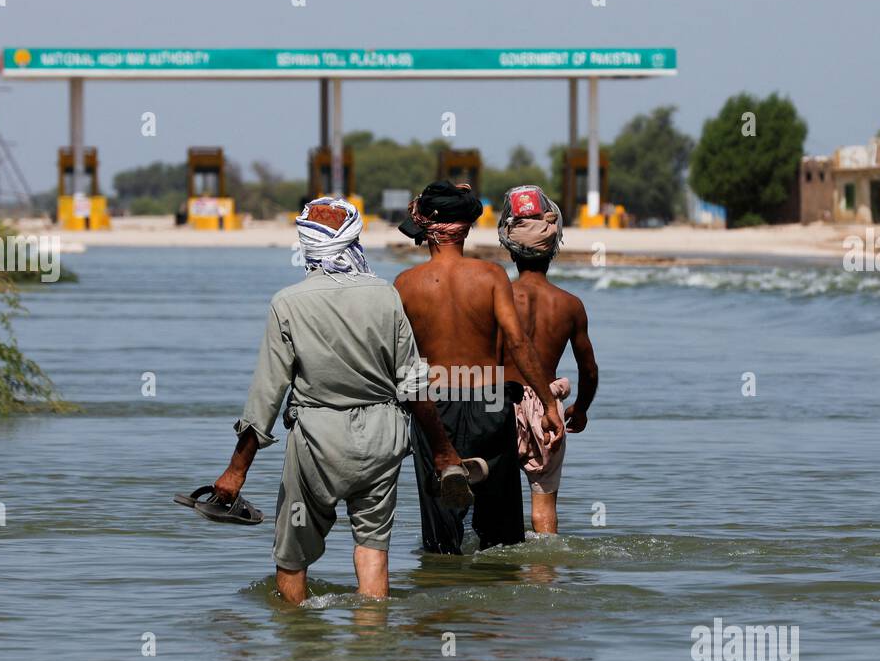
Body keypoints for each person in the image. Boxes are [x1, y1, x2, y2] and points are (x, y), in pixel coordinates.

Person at [210, 198, 463, 605]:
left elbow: (266, 395)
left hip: (317, 442)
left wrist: (236, 471)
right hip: (384, 438)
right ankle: (371, 647)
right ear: (353, 241)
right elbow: (415, 386)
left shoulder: (288, 303)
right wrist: (443, 454)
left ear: (307, 247)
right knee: (373, 548)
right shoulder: (385, 296)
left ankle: (298, 648)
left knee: (293, 558)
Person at [393, 180, 564, 555]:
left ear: (428, 231)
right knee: (500, 537)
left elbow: (398, 360)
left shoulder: (404, 284)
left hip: (433, 406)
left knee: (442, 539)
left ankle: (443, 599)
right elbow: (518, 344)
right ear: (466, 229)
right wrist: (549, 406)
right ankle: (494, 604)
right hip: (488, 398)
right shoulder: (490, 276)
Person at [497, 184, 598, 534]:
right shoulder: (569, 304)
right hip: (546, 408)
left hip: (500, 403)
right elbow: (588, 367)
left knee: (494, 503)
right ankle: (544, 575)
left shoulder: (498, 298)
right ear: (553, 247)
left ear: (509, 247)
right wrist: (581, 408)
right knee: (544, 507)